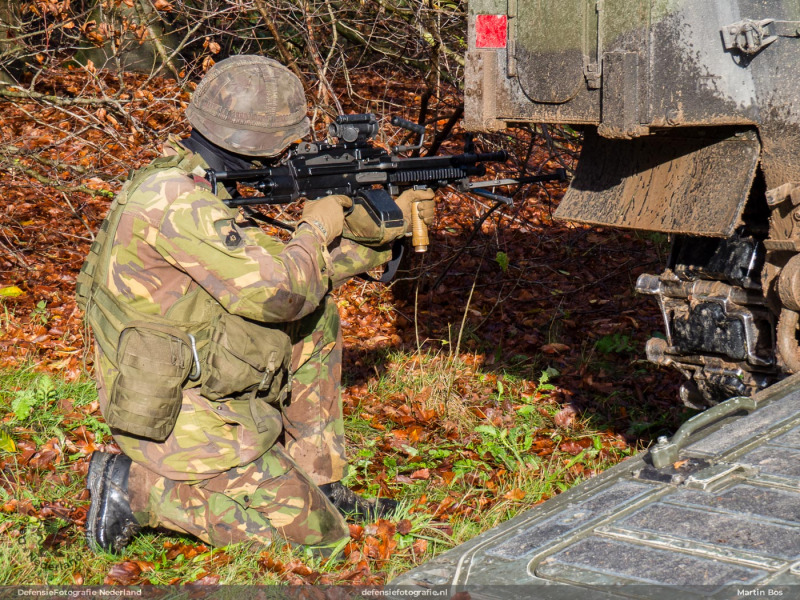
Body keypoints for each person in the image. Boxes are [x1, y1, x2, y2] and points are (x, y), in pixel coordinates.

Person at [76, 55, 435, 554]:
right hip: (176, 413)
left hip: (197, 375)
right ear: (260, 145)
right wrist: (316, 225)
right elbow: (281, 293)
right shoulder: (181, 203)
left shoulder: (193, 179)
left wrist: (380, 234)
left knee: (317, 318)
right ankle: (135, 489)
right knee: (319, 545)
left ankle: (320, 479)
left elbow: (294, 279)